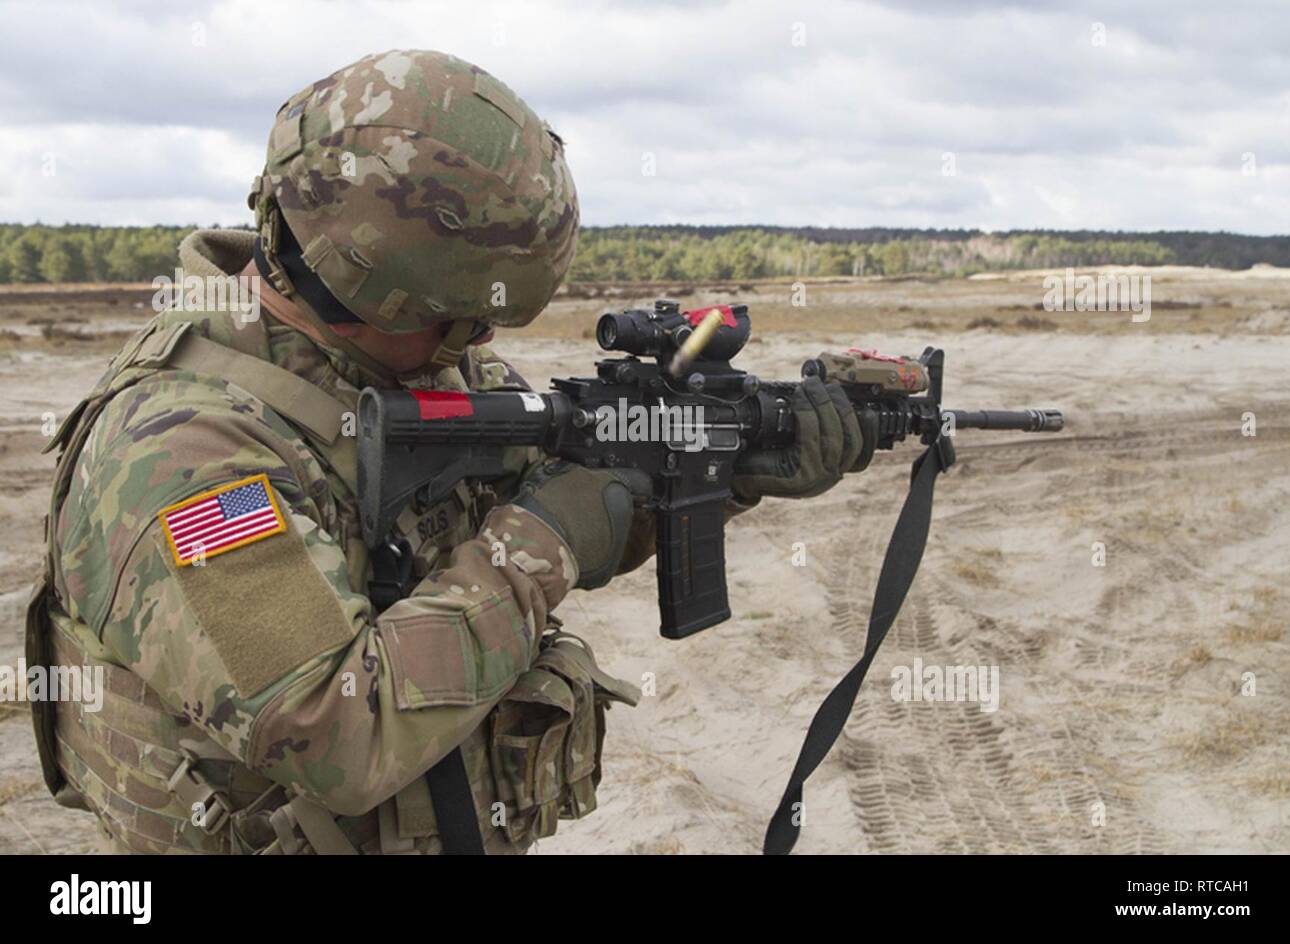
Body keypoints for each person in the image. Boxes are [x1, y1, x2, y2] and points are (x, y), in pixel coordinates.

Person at [27, 49, 873, 854]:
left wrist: (721, 472)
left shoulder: (408, 365)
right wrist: (542, 545)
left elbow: (567, 499)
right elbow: (336, 727)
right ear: (370, 292)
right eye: (461, 318)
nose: (474, 342)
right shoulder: (181, 456)